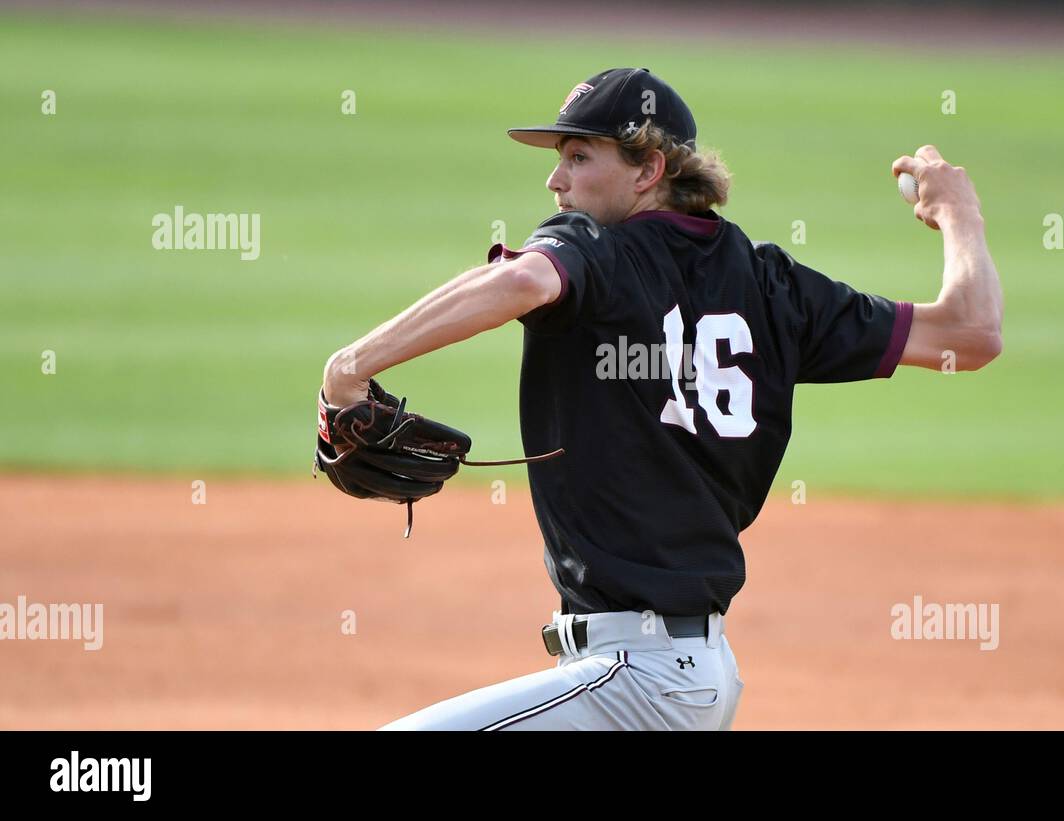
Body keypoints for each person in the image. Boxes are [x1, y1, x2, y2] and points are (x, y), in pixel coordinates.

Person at [321, 67, 1003, 730]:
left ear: (649, 168)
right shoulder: (773, 285)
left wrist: (350, 367)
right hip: (690, 676)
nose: (555, 179)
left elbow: (523, 283)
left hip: (633, 683)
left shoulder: (594, 251)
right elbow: (970, 333)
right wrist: (960, 216)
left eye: (580, 155)